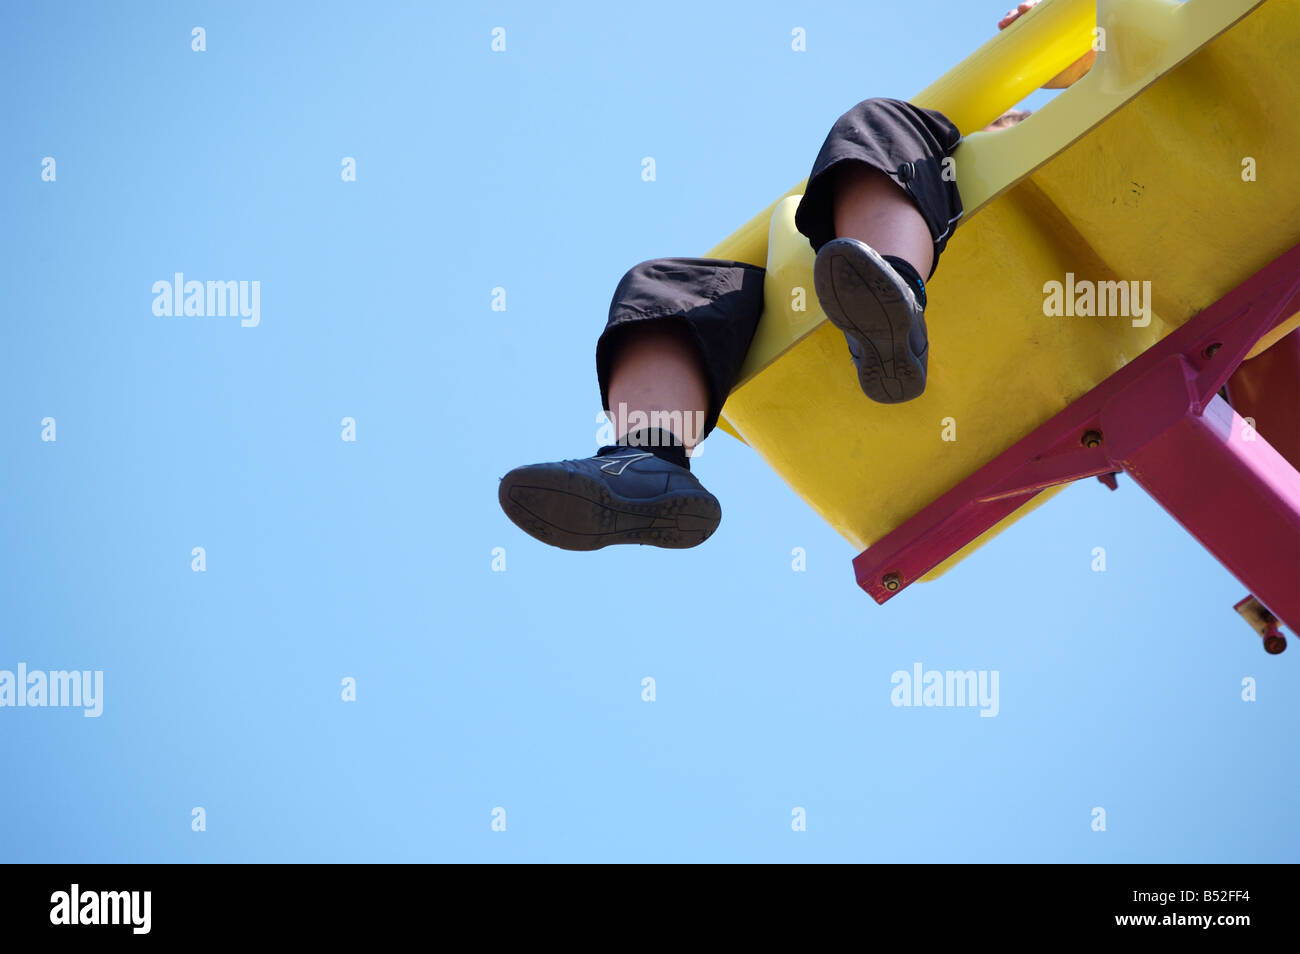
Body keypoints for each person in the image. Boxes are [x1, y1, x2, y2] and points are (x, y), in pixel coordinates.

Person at [499, 1, 1096, 552]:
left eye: (1004, 121)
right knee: (662, 287)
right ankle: (649, 463)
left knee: (879, 126)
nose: (988, 132)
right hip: (868, 309)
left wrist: (1075, 55)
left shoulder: (1053, 155)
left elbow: (1127, 79)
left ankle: (894, 301)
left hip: (1020, 290)